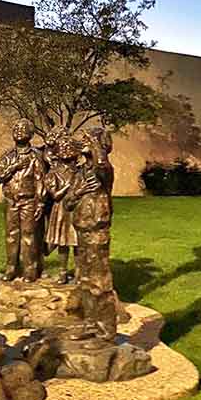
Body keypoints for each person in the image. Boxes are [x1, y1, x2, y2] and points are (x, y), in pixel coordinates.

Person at [66, 125, 117, 339]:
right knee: (84, 279)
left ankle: (106, 328)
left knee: (100, 280)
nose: (82, 142)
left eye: (88, 139)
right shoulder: (80, 173)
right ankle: (90, 323)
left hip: (97, 230)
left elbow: (102, 163)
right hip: (81, 230)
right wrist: (78, 191)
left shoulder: (103, 172)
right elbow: (68, 202)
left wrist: (95, 143)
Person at [0, 118, 46, 281]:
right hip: (11, 201)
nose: (19, 131)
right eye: (16, 128)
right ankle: (11, 267)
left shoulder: (36, 156)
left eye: (23, 129)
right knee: (11, 235)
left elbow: (40, 180)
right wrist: (14, 166)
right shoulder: (8, 156)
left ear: (30, 134)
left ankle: (30, 269)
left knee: (29, 235)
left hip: (28, 201)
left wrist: (40, 202)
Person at [44, 133, 79, 283]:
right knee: (63, 243)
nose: (67, 154)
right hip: (61, 211)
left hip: (77, 209)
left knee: (77, 242)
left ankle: (79, 271)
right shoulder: (53, 174)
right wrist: (67, 186)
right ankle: (63, 272)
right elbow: (55, 195)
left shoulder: (79, 172)